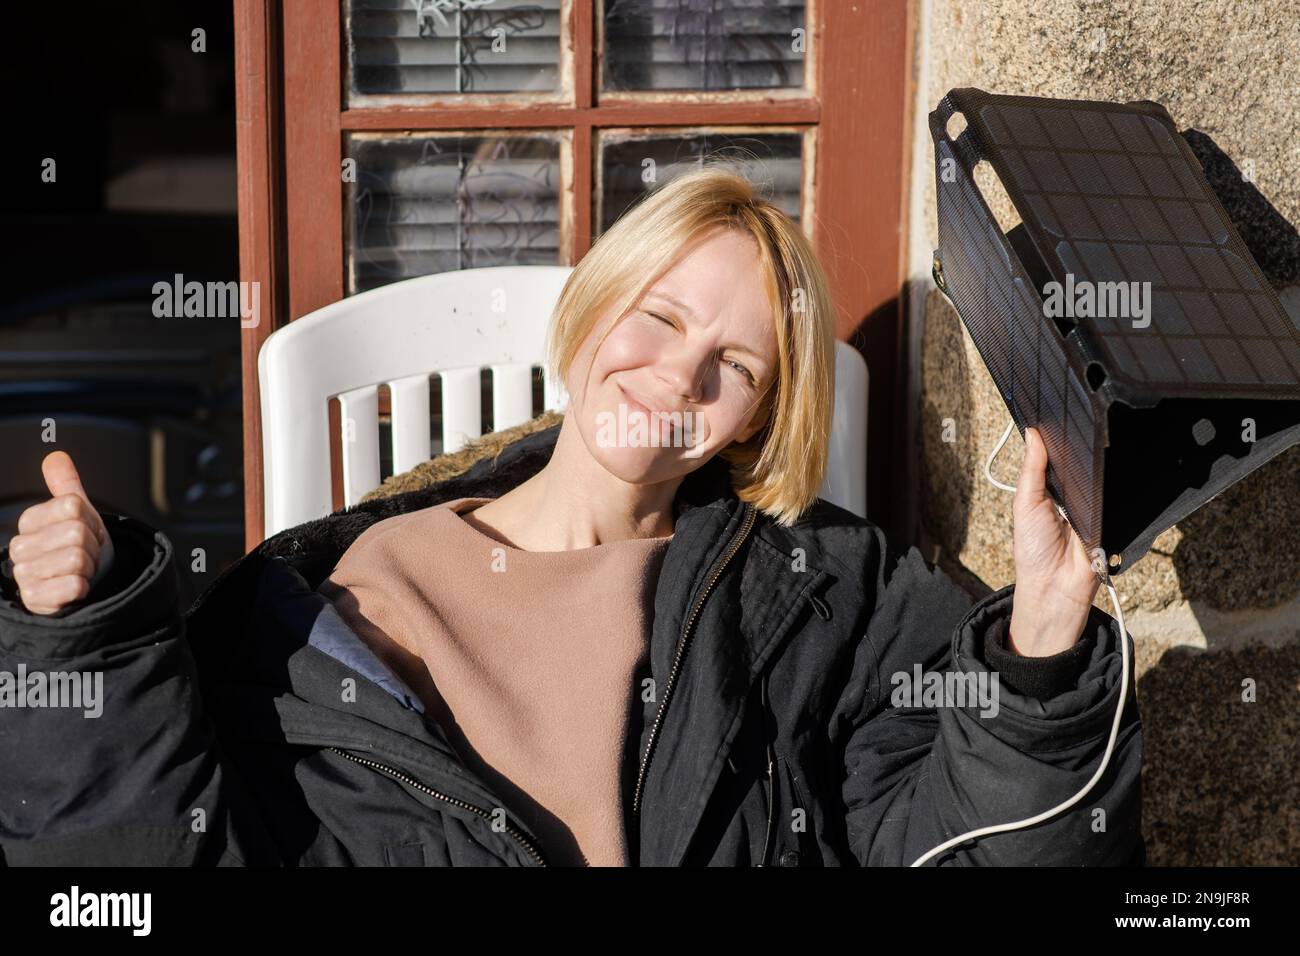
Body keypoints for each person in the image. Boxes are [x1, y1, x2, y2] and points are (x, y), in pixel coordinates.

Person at [0, 165, 1142, 867]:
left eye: (736, 364)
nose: (679, 375)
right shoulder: (334, 600)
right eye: (660, 317)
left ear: (754, 419)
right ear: (596, 309)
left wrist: (1041, 655)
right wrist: (86, 639)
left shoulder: (823, 599)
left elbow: (957, 849)